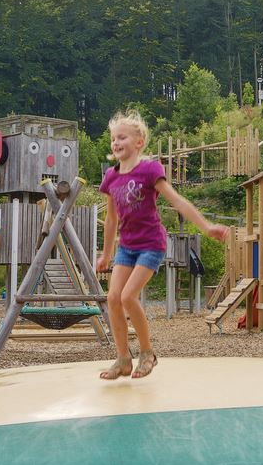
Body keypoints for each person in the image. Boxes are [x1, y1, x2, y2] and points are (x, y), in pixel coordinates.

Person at [97, 109, 229, 379]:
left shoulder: (149, 170)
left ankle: (147, 353)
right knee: (112, 298)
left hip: (151, 244)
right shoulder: (111, 177)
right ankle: (123, 359)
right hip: (126, 247)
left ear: (139, 141)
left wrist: (206, 226)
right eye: (113, 138)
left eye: (122, 137)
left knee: (127, 296)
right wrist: (106, 253)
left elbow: (177, 201)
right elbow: (110, 220)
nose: (116, 142)